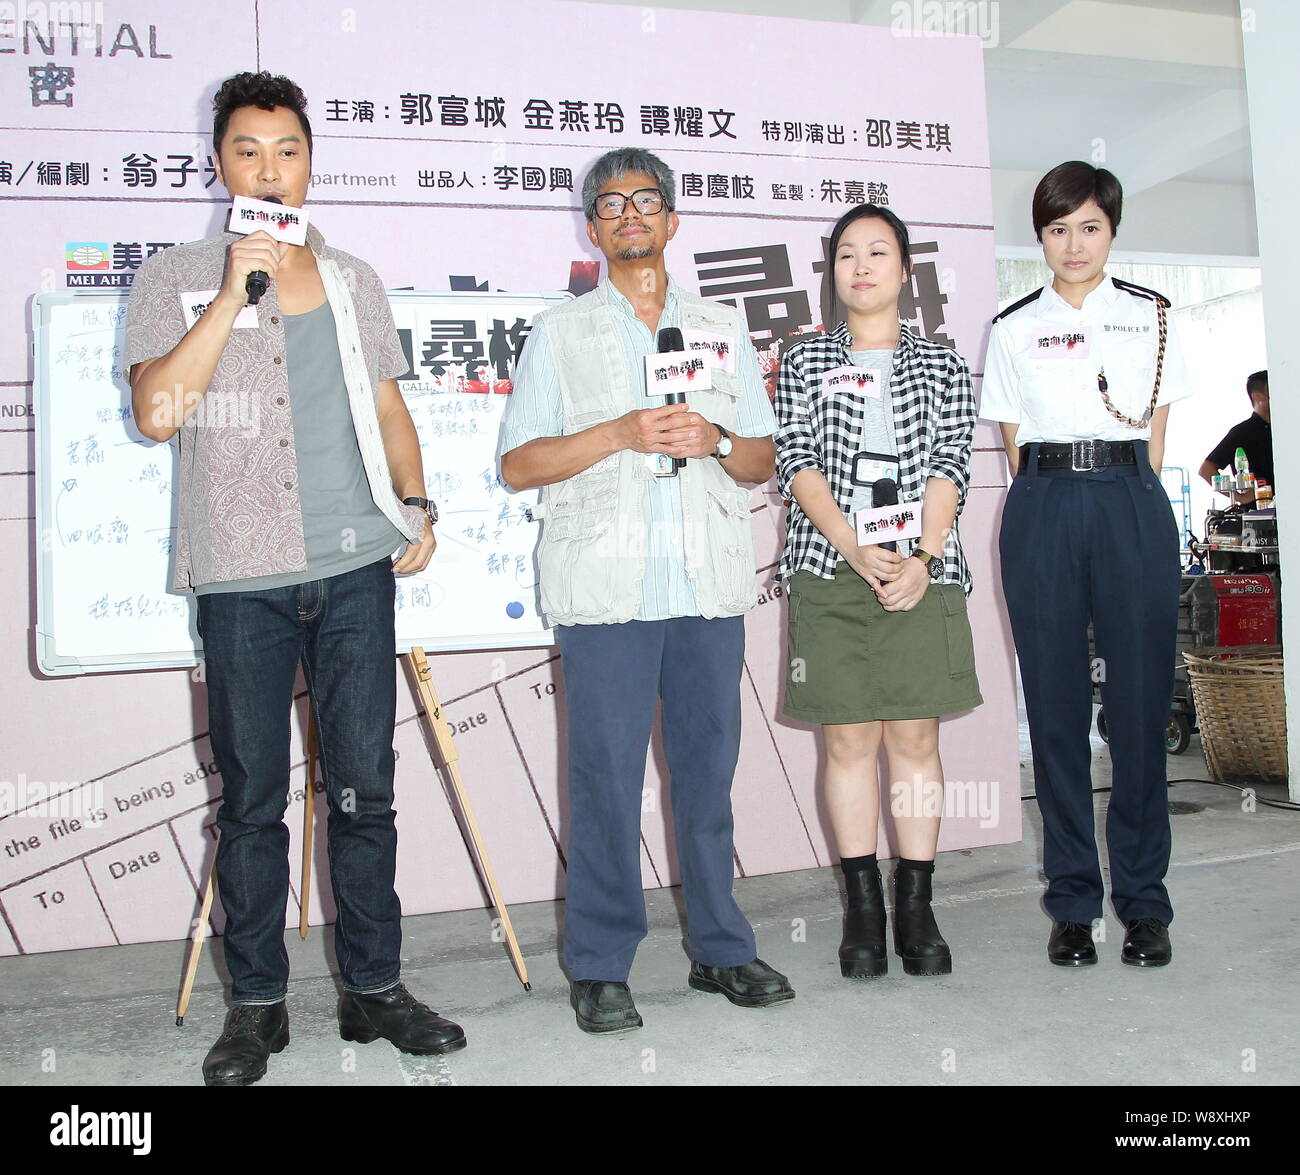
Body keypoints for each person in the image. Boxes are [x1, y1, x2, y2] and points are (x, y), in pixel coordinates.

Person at [126, 72, 464, 1086]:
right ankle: (258, 1008)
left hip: (358, 563)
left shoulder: (354, 278)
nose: (270, 168)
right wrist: (233, 291)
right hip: (240, 574)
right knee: (252, 801)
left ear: (310, 160)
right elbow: (156, 412)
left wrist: (419, 502)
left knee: (366, 794)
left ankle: (374, 987)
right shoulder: (176, 274)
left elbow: (391, 405)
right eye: (247, 150)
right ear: (218, 160)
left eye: (287, 150)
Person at [499, 147, 793, 1034]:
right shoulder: (560, 333)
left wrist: (711, 437)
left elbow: (761, 459)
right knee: (605, 781)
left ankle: (721, 949)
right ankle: (599, 963)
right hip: (606, 590)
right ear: (592, 229)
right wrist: (624, 430)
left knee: (707, 780)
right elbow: (518, 464)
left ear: (672, 221)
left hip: (705, 582)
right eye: (612, 203)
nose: (631, 214)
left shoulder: (722, 328)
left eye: (647, 200)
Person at [980, 161, 1193, 969]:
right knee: (1057, 710)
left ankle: (1144, 903)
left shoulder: (1152, 316)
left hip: (1130, 499)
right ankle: (1072, 902)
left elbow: (1158, 428)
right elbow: (1011, 437)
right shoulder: (1012, 325)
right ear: (1040, 236)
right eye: (1058, 228)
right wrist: (1056, 491)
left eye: (1090, 226)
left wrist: (1131, 494)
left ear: (1112, 230)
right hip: (1043, 504)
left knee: (1139, 708)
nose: (1074, 243)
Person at [773, 203, 982, 980]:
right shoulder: (802, 359)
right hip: (831, 567)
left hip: (922, 569)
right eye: (847, 254)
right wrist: (857, 549)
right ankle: (863, 908)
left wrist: (922, 554)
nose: (861, 266)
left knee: (916, 741)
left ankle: (916, 905)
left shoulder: (942, 362)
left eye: (878, 252)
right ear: (832, 272)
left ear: (904, 270)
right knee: (848, 741)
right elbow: (796, 462)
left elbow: (951, 464)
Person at [1199, 370, 1270, 504]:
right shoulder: (1242, 432)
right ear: (1258, 397)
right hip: (1260, 512)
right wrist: (1239, 497)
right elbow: (1206, 469)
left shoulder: (1286, 428)